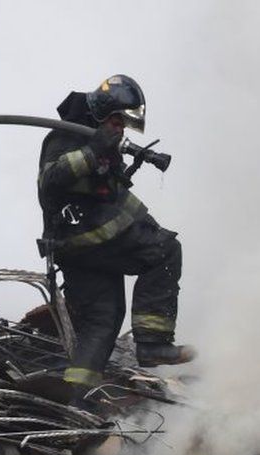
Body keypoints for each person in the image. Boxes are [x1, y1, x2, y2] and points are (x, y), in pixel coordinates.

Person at [37, 74, 196, 399]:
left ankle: (76, 401)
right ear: (102, 112)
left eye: (124, 123)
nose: (121, 128)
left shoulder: (102, 142)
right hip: (85, 236)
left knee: (103, 318)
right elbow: (51, 180)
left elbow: (108, 192)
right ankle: (152, 345)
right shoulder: (67, 136)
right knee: (165, 250)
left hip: (82, 247)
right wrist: (94, 152)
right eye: (117, 120)